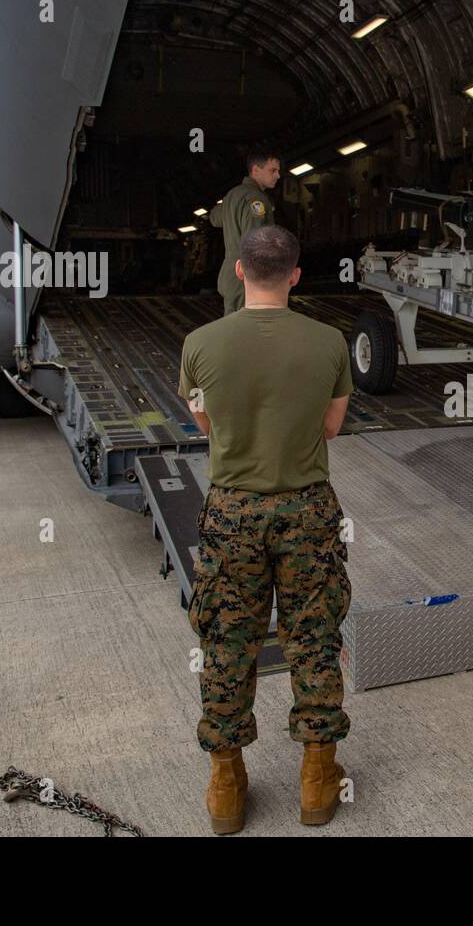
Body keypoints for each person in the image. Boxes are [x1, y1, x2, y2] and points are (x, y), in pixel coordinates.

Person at [177, 225, 353, 833]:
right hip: (307, 510)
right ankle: (316, 778)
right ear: (296, 275)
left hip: (232, 512)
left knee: (228, 644)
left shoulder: (200, 343)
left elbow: (204, 420)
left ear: (239, 271)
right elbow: (331, 428)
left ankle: (226, 784)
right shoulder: (330, 342)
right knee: (313, 637)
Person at [209, 152, 281, 315]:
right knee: (248, 328)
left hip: (231, 274)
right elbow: (254, 243)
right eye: (273, 170)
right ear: (255, 170)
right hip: (248, 276)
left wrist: (229, 208)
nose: (278, 175)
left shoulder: (233, 195)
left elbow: (214, 218)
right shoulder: (257, 200)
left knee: (233, 326)